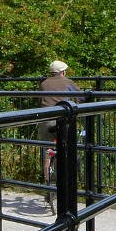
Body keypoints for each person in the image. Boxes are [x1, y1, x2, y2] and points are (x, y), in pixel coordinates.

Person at [37, 60, 82, 208]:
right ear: (63, 72)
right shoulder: (68, 82)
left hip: (46, 121)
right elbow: (80, 97)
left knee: (46, 152)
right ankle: (65, 186)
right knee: (66, 151)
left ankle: (48, 189)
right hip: (62, 122)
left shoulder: (43, 83)